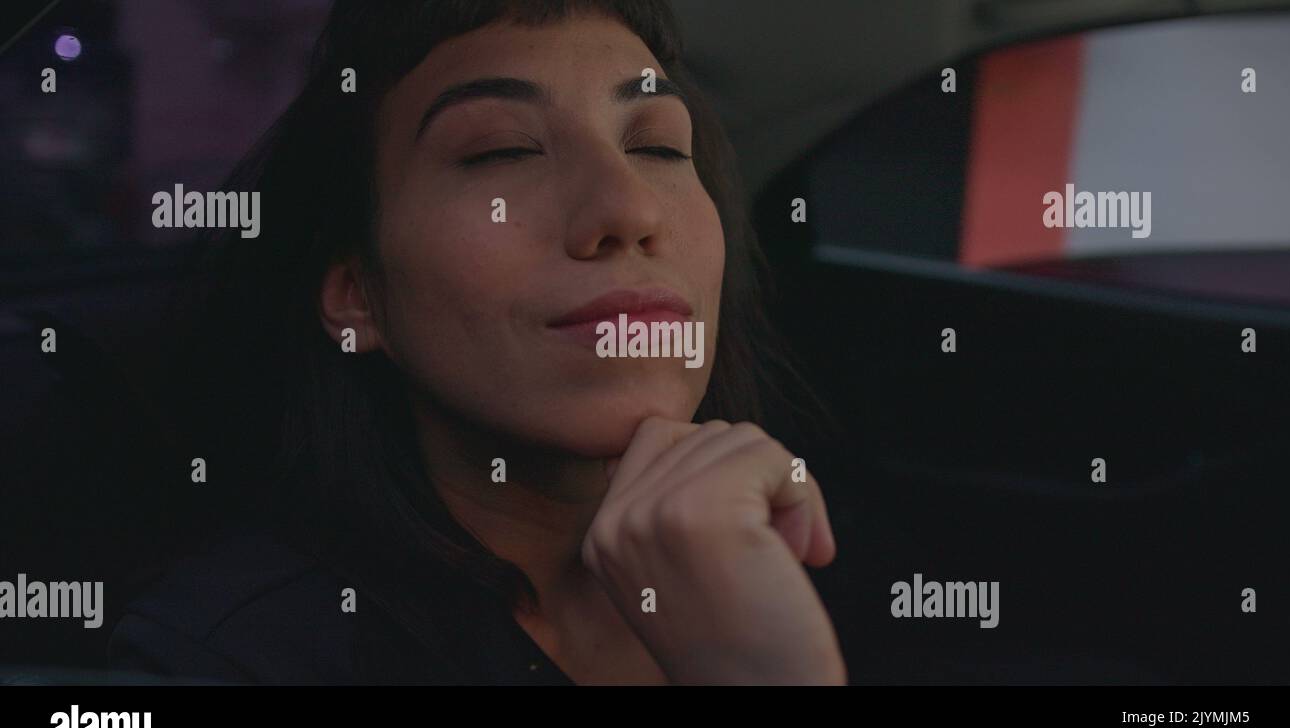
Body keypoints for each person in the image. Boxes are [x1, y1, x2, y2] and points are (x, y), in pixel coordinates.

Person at [108, 0, 844, 685]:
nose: (626, 206)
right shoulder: (232, 653)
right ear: (359, 295)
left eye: (656, 145)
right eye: (503, 152)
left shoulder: (819, 549)